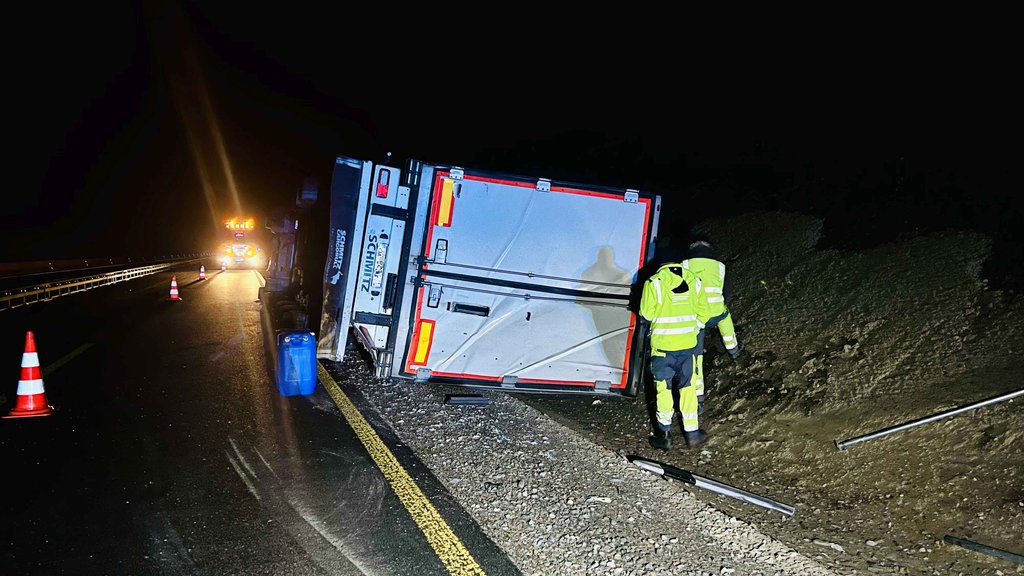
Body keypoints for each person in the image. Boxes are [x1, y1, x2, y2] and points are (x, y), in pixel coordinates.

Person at [639, 262, 708, 450]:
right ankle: (693, 434)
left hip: (662, 350)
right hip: (687, 348)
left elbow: (646, 313)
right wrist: (692, 329)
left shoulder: (654, 283)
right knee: (688, 389)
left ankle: (665, 436)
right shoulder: (695, 280)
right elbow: (704, 314)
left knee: (663, 390)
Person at [684, 240, 742, 415]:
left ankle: (698, 400)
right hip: (717, 311)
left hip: (695, 316)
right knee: (726, 318)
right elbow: (726, 292)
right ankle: (735, 353)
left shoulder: (685, 265)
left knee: (695, 356)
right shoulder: (720, 266)